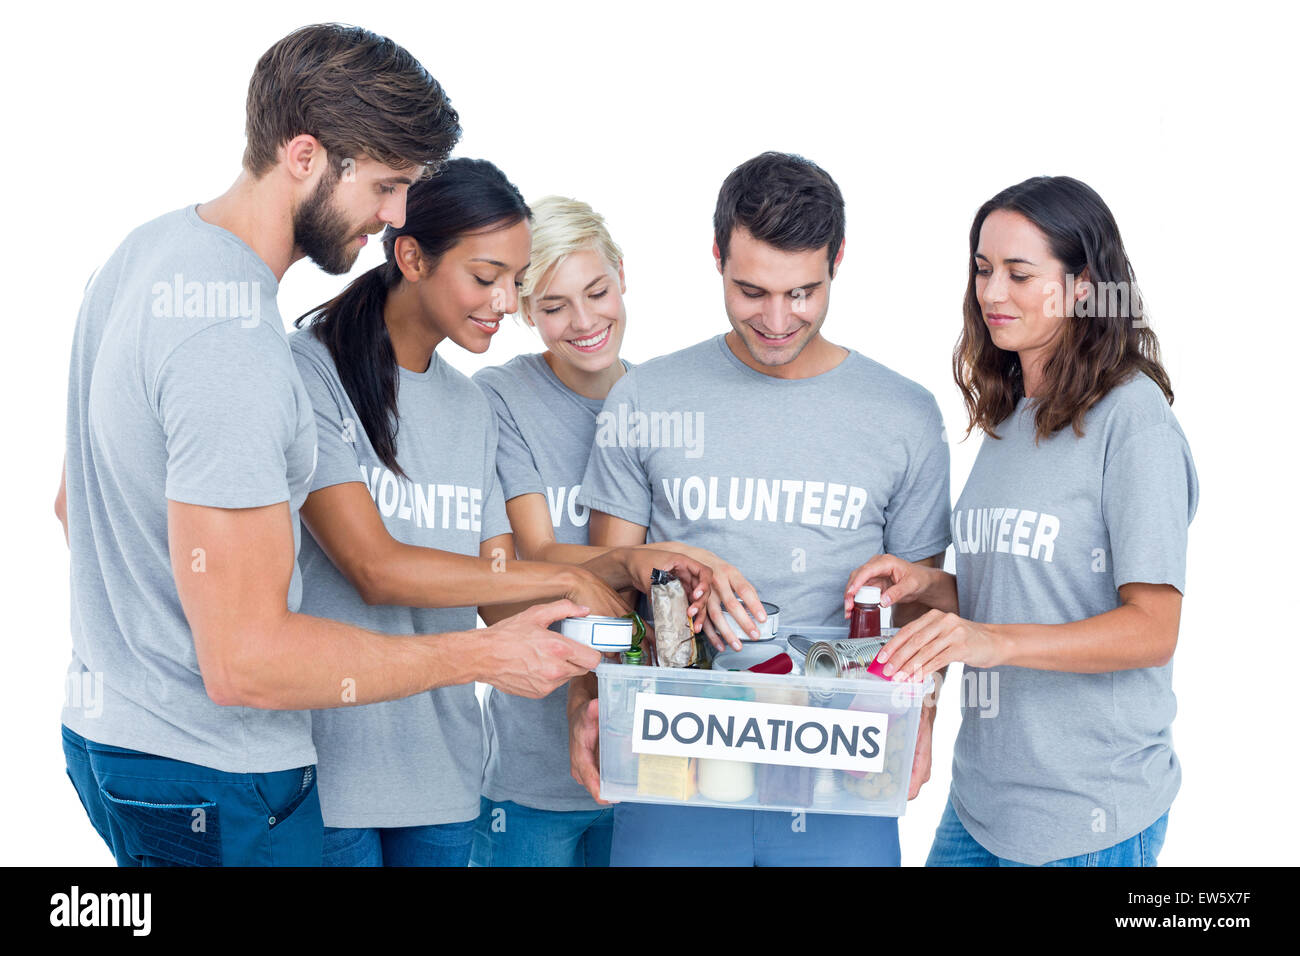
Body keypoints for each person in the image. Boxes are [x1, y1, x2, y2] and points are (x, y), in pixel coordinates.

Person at [58, 23, 599, 868]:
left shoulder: (145, 254)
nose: (393, 217)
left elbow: (73, 503)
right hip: (219, 769)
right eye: (385, 186)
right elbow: (245, 664)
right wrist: (480, 655)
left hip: (111, 746)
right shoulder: (236, 344)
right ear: (304, 156)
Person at [291, 166, 711, 867]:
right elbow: (374, 568)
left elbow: (494, 589)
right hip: (334, 781)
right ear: (411, 257)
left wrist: (615, 581)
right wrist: (586, 579)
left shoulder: (467, 405)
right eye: (492, 278)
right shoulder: (314, 370)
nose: (502, 302)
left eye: (511, 282)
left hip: (448, 780)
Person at [569, 152, 952, 866]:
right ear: (716, 257)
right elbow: (604, 582)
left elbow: (919, 601)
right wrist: (584, 707)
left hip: (840, 760)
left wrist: (924, 718)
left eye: (803, 293)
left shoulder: (904, 415)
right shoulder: (647, 399)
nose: (777, 320)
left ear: (839, 260)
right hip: (672, 755)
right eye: (751, 291)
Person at [848, 176, 1198, 867]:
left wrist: (991, 642)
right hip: (981, 804)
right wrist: (925, 587)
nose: (992, 293)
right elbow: (1014, 592)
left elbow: (1154, 629)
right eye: (982, 269)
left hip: (1085, 818)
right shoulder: (1009, 414)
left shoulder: (1133, 421)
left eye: (1019, 273)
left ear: (1083, 287)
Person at [470, 197, 731, 866]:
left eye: (597, 291)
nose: (585, 322)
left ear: (621, 273)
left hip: (654, 765)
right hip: (531, 777)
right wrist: (649, 557)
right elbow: (534, 556)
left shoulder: (661, 400)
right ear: (525, 310)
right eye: (554, 305)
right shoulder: (501, 398)